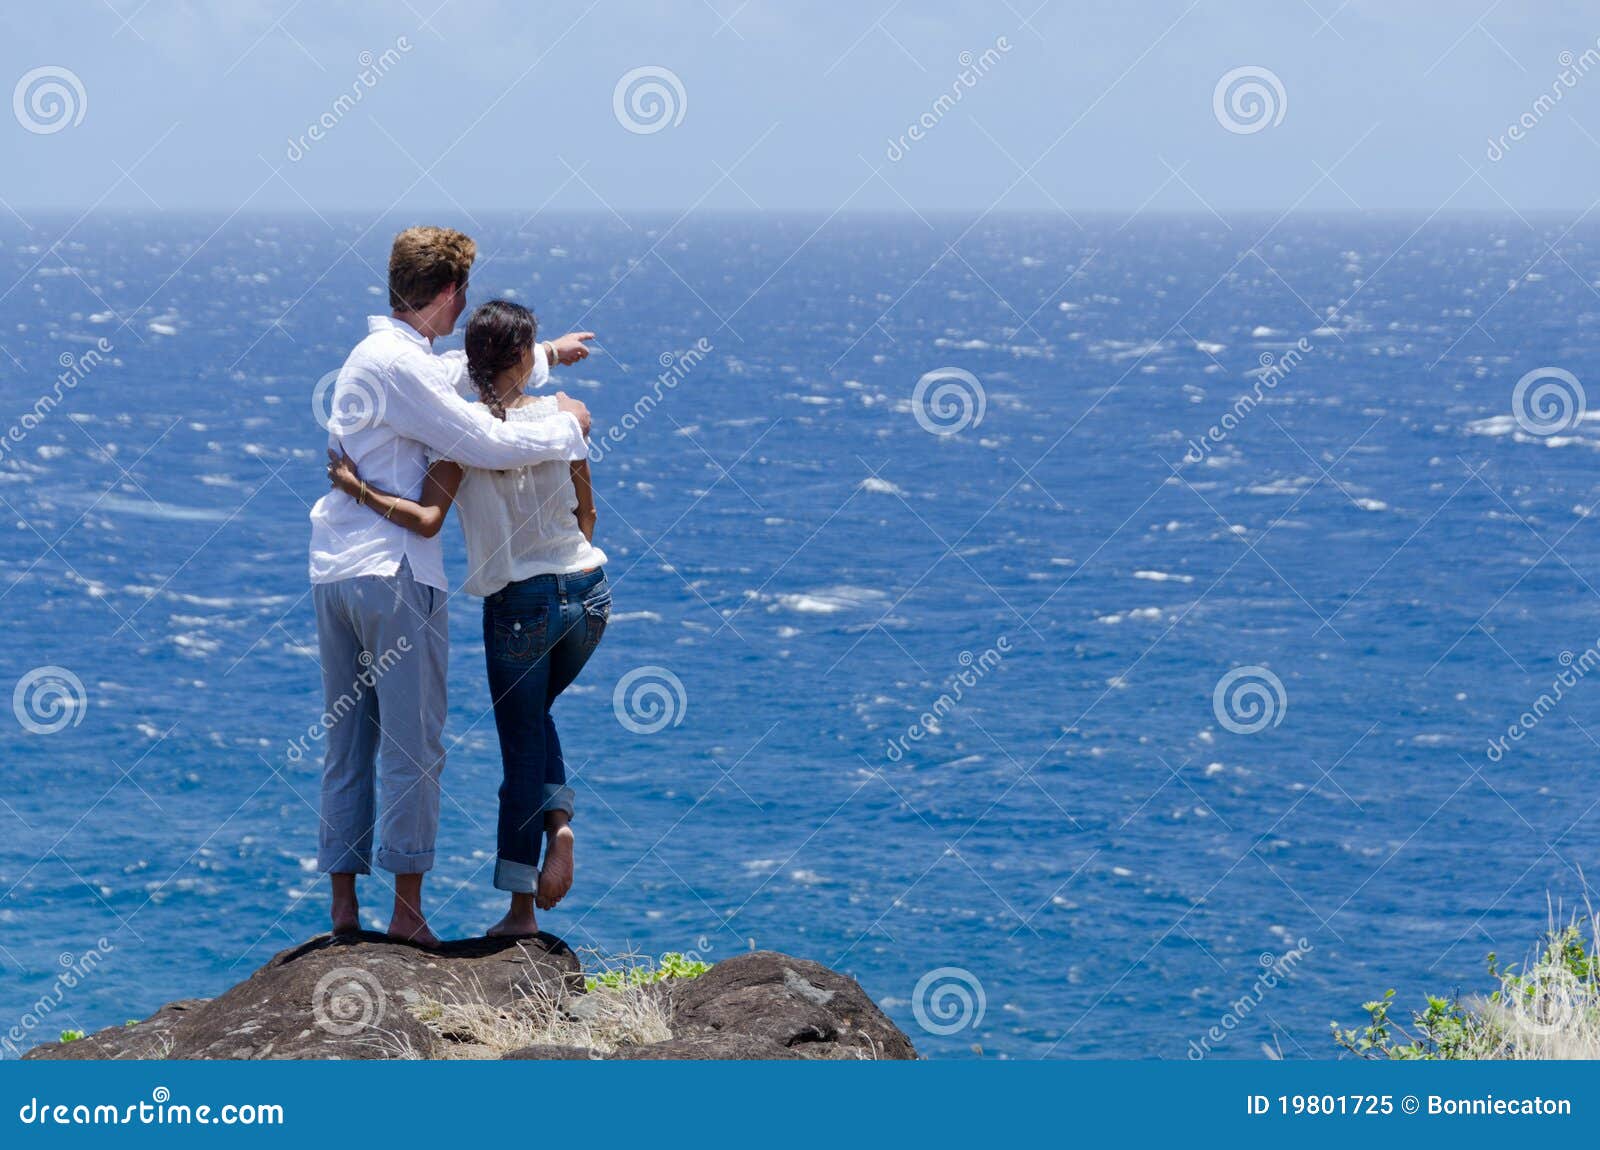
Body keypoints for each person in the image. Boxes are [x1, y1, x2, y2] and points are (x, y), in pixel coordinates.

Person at [308, 226, 596, 948]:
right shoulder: (403, 367)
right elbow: (483, 437)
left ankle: (344, 908)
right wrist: (570, 432)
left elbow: (464, 382)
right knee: (414, 746)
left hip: (335, 572)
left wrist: (547, 354)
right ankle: (407, 914)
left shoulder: (377, 357)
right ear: (449, 293)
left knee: (348, 743)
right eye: (462, 294)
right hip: (396, 575)